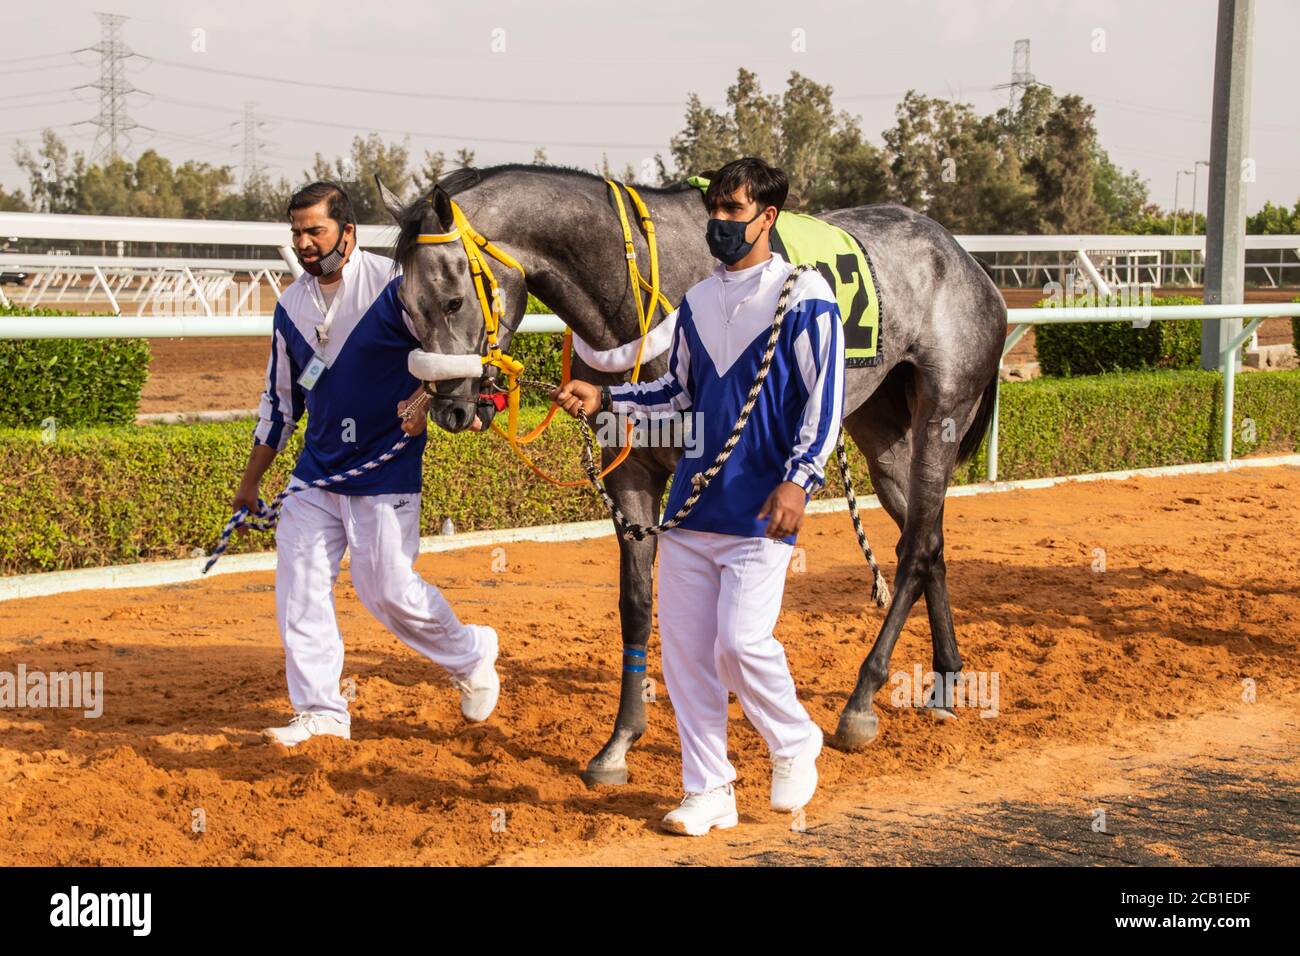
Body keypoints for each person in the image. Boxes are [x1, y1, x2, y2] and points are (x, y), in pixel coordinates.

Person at [553, 157, 845, 835]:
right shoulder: (696, 301)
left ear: (766, 218)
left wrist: (800, 481)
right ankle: (708, 788)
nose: (718, 222)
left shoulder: (804, 298)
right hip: (689, 512)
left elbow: (823, 407)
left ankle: (795, 738)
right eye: (714, 209)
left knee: (739, 645)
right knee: (685, 657)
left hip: (759, 510)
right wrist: (608, 397)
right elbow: (675, 396)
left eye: (733, 212)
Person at [237, 180, 500, 747]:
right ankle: (322, 712)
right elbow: (281, 402)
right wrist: (251, 481)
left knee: (387, 592)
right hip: (316, 473)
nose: (306, 243)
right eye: (298, 233)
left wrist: (429, 398)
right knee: (300, 585)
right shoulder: (289, 306)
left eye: (316, 230)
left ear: (347, 232)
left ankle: (472, 651)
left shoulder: (396, 284)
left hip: (386, 469)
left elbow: (455, 349)